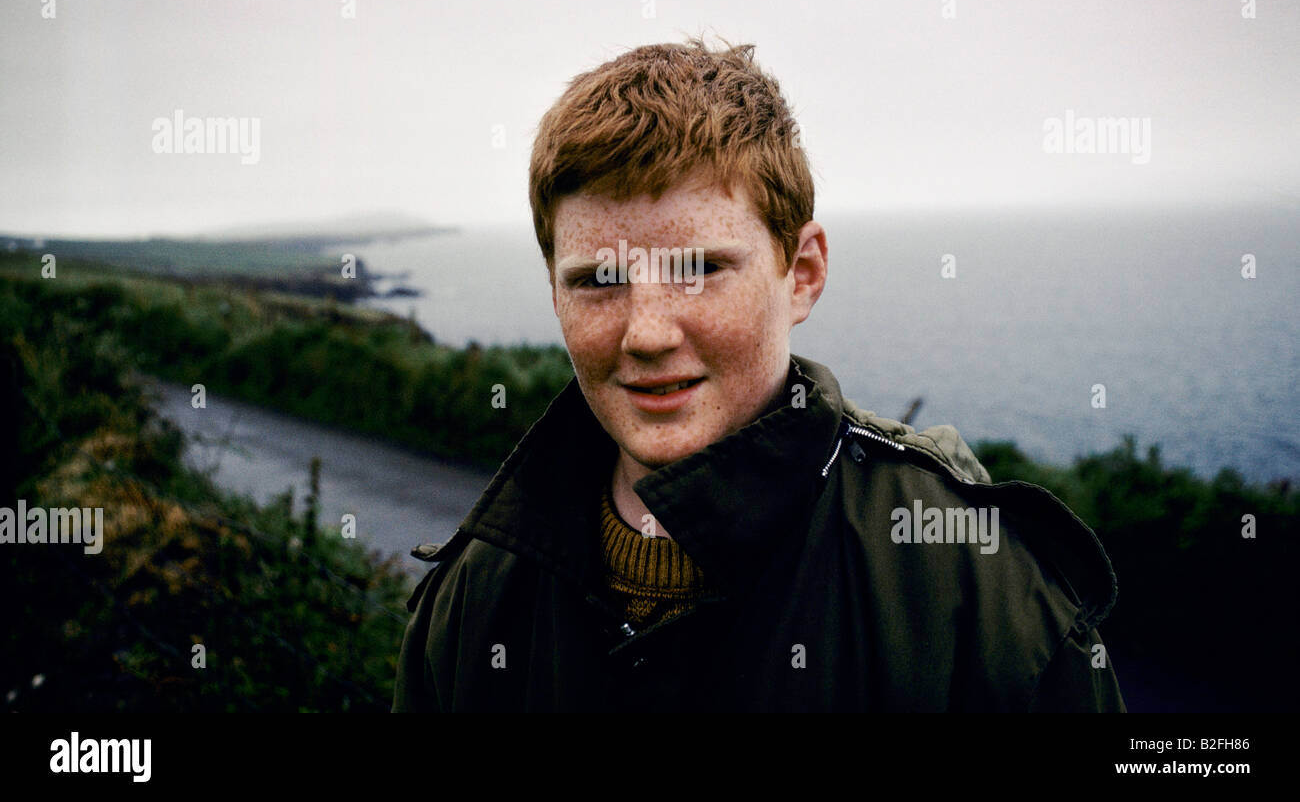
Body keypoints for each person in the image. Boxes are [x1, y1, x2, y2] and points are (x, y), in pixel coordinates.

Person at [392, 36, 1126, 711]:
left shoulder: (979, 591)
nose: (647, 333)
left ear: (801, 273)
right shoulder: (471, 601)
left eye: (702, 269)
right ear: (553, 291)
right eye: (598, 280)